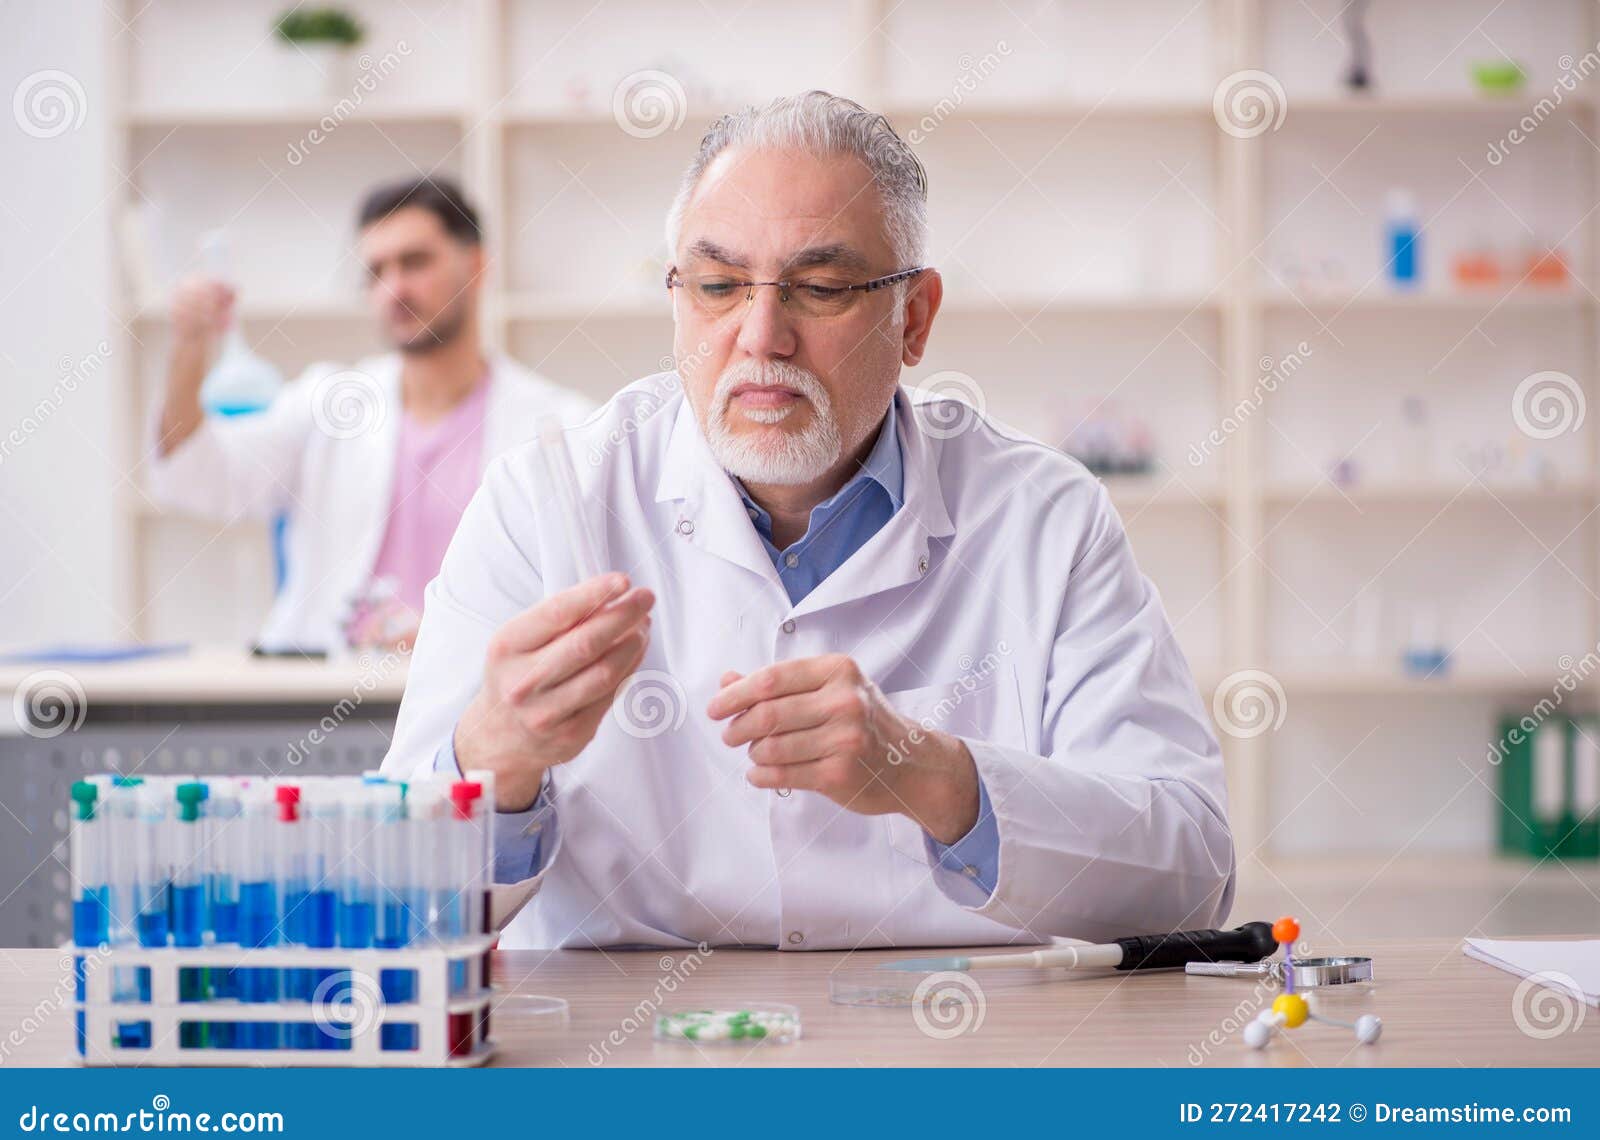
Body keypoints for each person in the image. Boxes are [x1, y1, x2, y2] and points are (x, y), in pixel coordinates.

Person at [382, 93, 1234, 950]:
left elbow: (1193, 873)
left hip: (955, 1046)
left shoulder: (1044, 516)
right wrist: (494, 761)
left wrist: (940, 780)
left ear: (915, 317)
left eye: (821, 289)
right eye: (718, 286)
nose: (761, 336)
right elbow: (398, 910)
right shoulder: (545, 500)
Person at [147, 177, 593, 653]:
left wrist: (455, 640)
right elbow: (194, 475)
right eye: (376, 271)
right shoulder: (327, 404)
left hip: (480, 696)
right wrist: (189, 350)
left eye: (415, 262)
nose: (394, 288)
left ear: (477, 266)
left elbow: (579, 590)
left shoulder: (558, 425)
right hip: (328, 700)